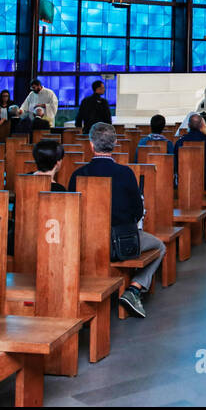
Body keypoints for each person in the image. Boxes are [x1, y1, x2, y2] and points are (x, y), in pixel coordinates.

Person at [69, 123, 165, 318]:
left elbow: (70, 210)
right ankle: (135, 288)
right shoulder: (125, 173)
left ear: (91, 145)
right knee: (160, 247)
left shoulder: (78, 174)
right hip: (120, 244)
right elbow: (138, 211)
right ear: (114, 144)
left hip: (84, 243)